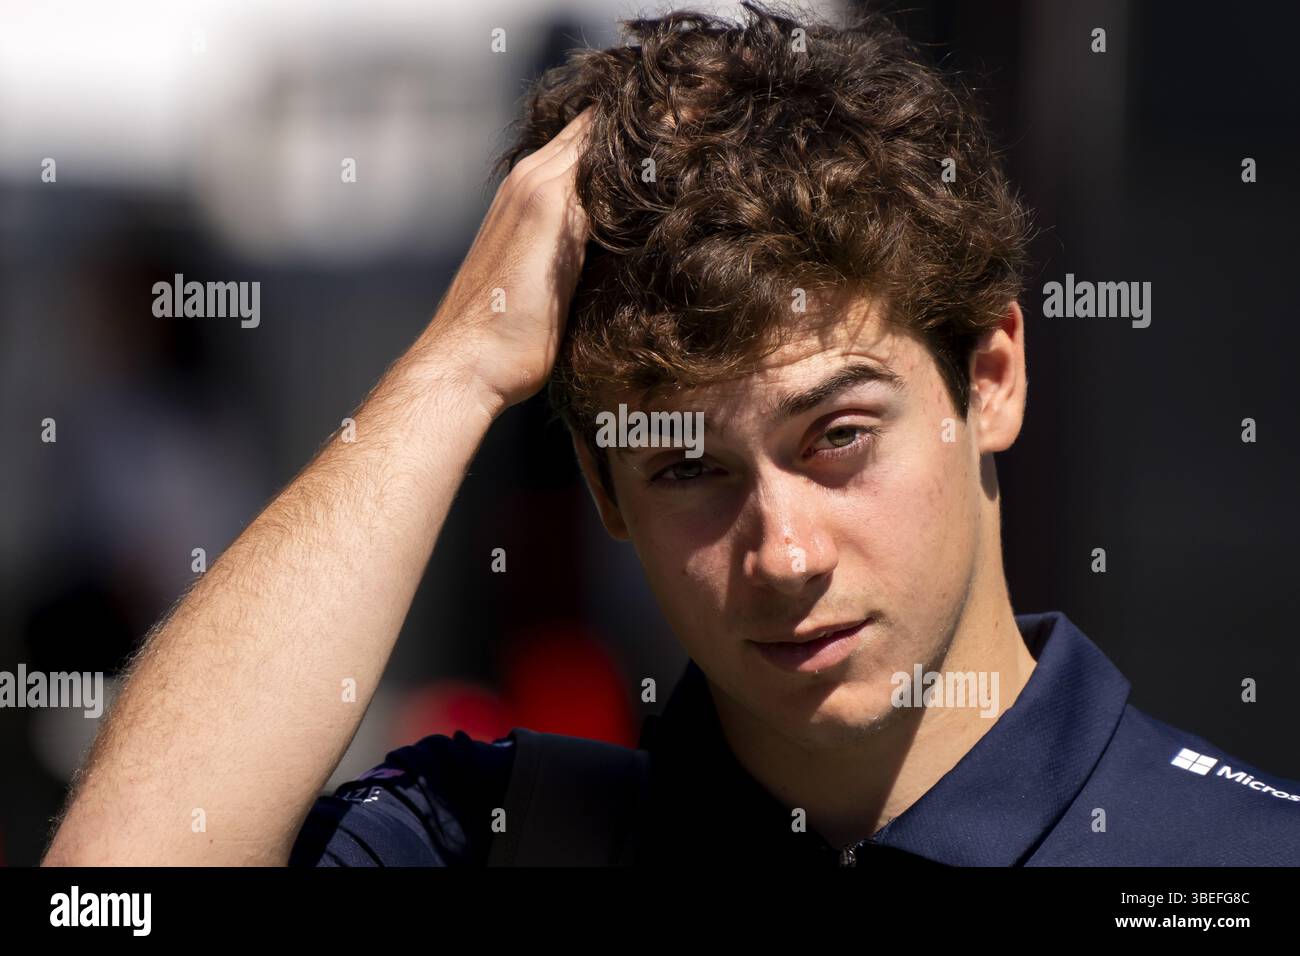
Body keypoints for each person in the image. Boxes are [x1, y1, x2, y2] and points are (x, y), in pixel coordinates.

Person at [42, 2, 1300, 868]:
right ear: (602, 487)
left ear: (992, 376)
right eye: (687, 467)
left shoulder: (1226, 862)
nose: (783, 551)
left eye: (839, 435)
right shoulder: (505, 837)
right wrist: (455, 365)